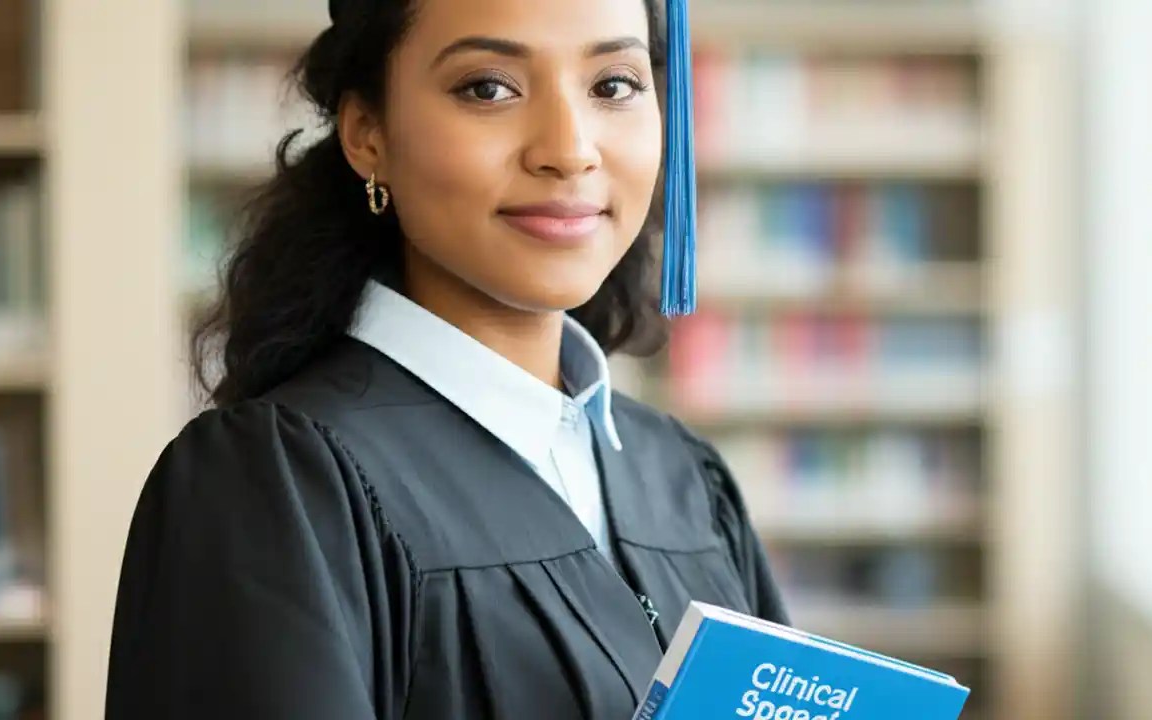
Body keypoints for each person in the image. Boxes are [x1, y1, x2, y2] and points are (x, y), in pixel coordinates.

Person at [105, 0, 787, 717]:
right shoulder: (277, 485)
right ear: (368, 133)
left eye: (613, 85)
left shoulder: (684, 478)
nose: (569, 148)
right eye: (488, 88)